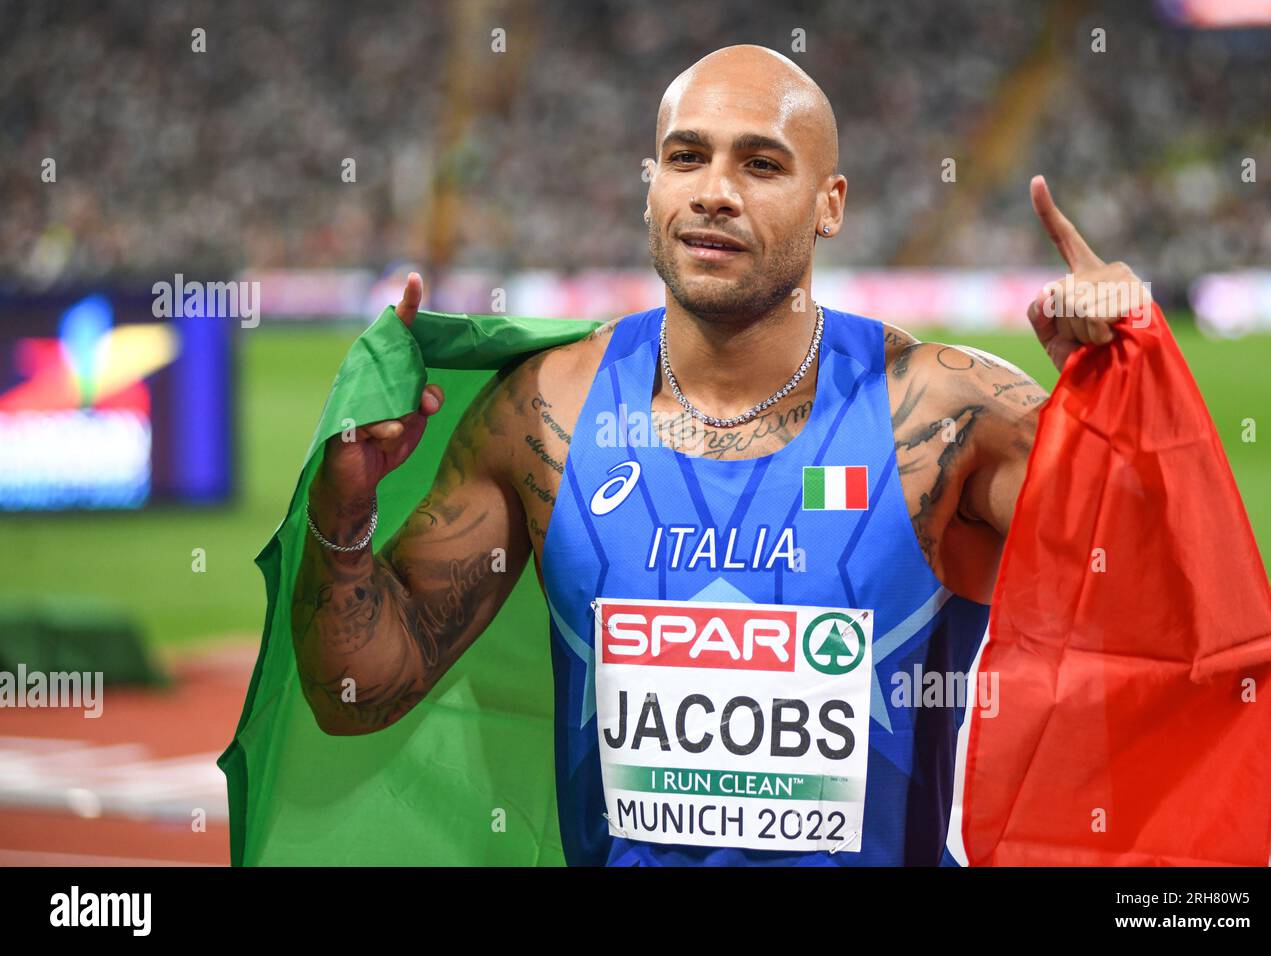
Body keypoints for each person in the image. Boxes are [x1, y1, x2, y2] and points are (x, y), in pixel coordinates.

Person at [290, 45, 1150, 865]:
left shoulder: (947, 412)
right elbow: (358, 693)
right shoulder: (544, 412)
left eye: (762, 164)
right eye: (686, 157)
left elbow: (1152, 602)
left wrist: (1121, 391)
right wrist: (345, 508)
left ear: (831, 203)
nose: (714, 193)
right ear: (651, 186)